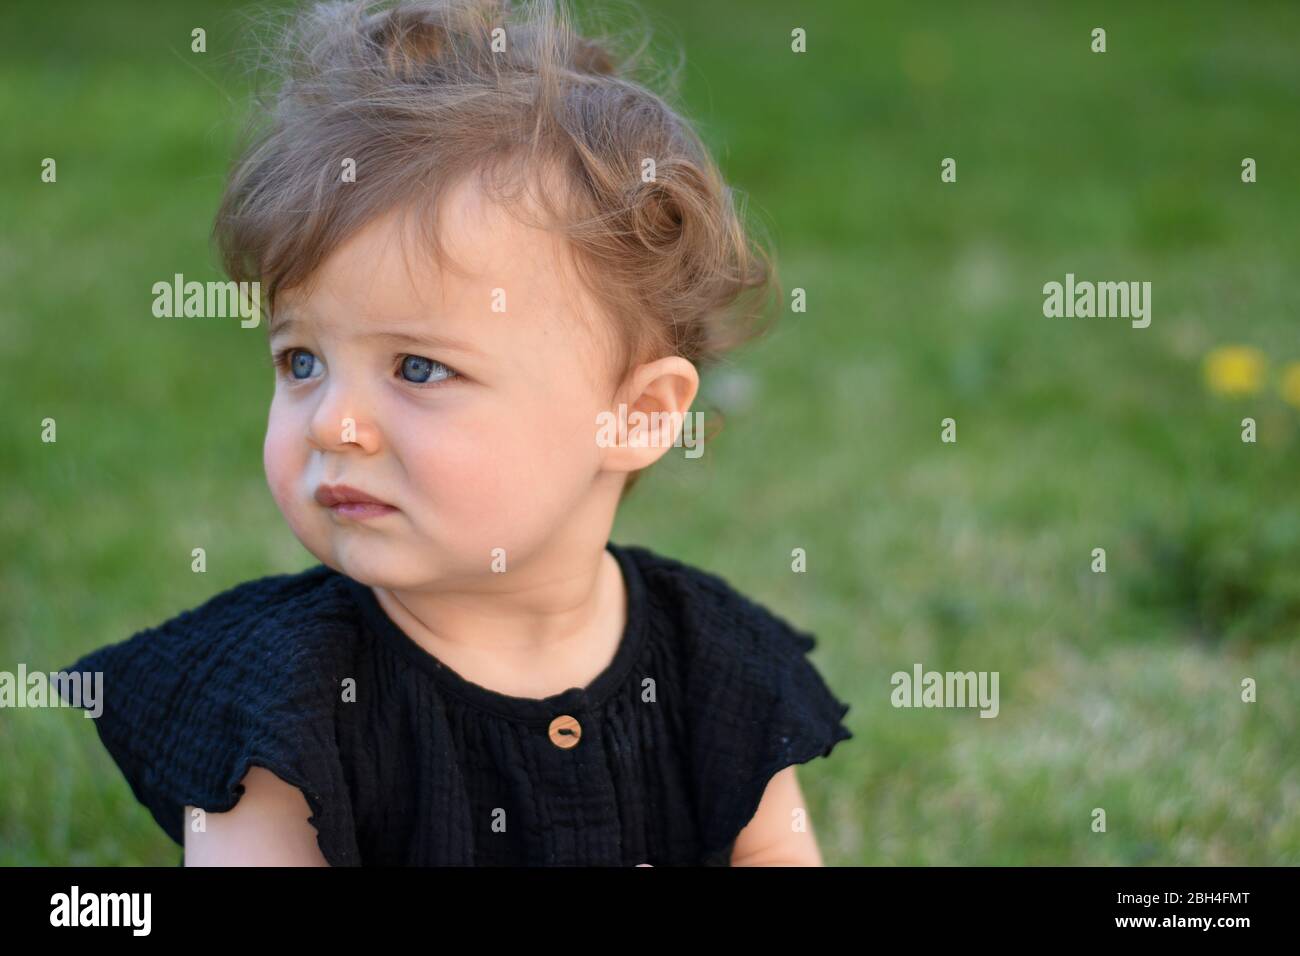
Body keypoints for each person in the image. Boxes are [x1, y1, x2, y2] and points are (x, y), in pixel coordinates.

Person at [57, 0, 852, 866]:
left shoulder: (715, 664)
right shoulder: (282, 698)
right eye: (301, 362)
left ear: (637, 416)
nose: (334, 423)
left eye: (419, 369)